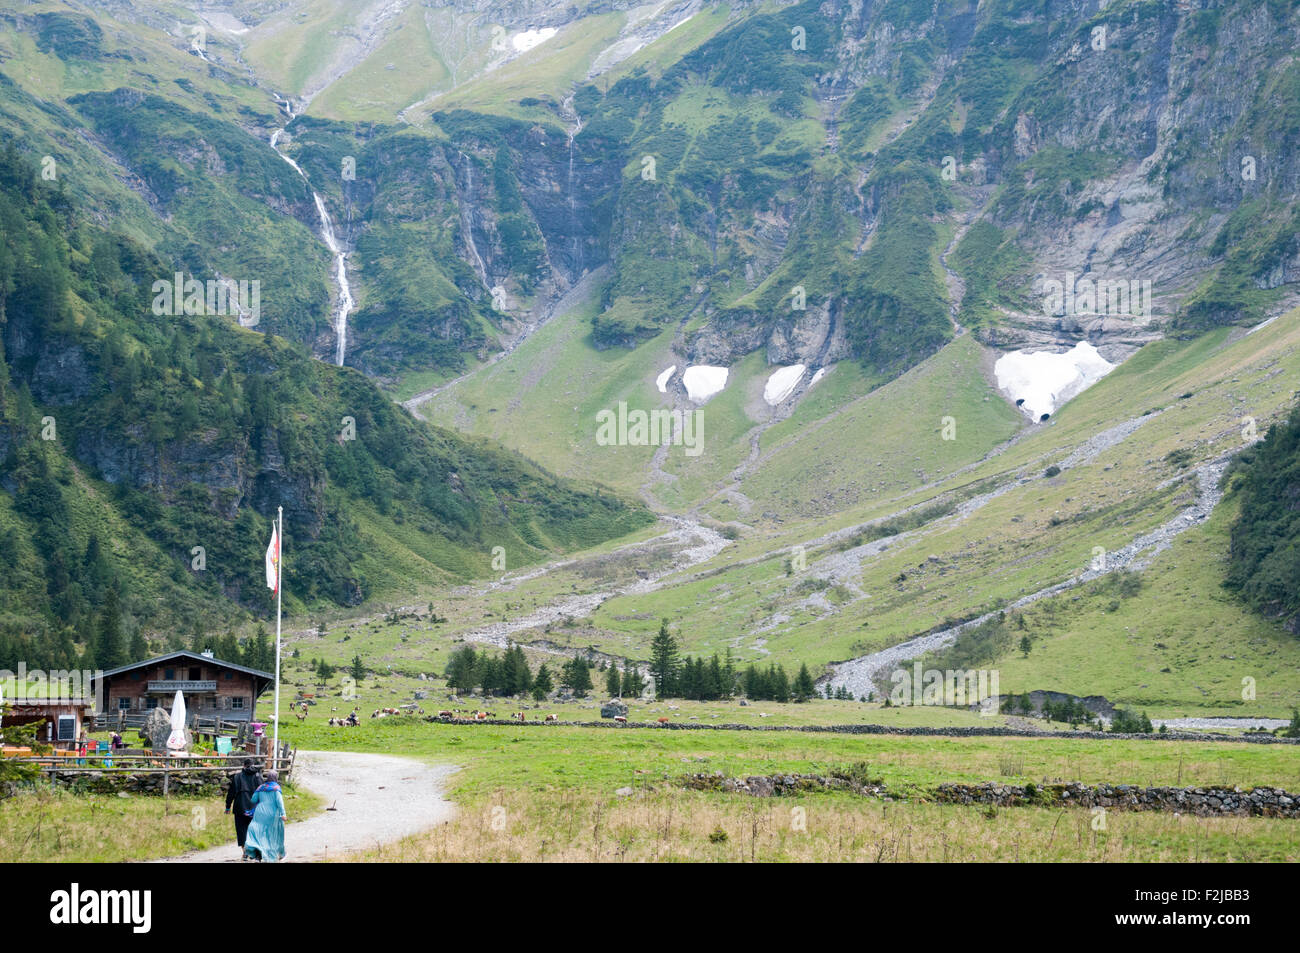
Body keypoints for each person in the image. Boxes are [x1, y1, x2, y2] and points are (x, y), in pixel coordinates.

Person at [243, 769, 287, 863]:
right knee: (270, 835)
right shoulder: (276, 788)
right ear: (275, 778)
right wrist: (283, 814)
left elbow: (253, 800)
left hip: (260, 813)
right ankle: (271, 854)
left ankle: (257, 855)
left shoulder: (261, 787)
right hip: (272, 814)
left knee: (257, 832)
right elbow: (279, 802)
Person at [225, 759, 261, 855]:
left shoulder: (237, 777)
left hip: (240, 808)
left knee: (241, 830)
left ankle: (245, 851)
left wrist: (228, 807)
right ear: (252, 765)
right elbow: (263, 792)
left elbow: (231, 793)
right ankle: (254, 851)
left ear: (244, 766)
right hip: (255, 808)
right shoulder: (258, 776)